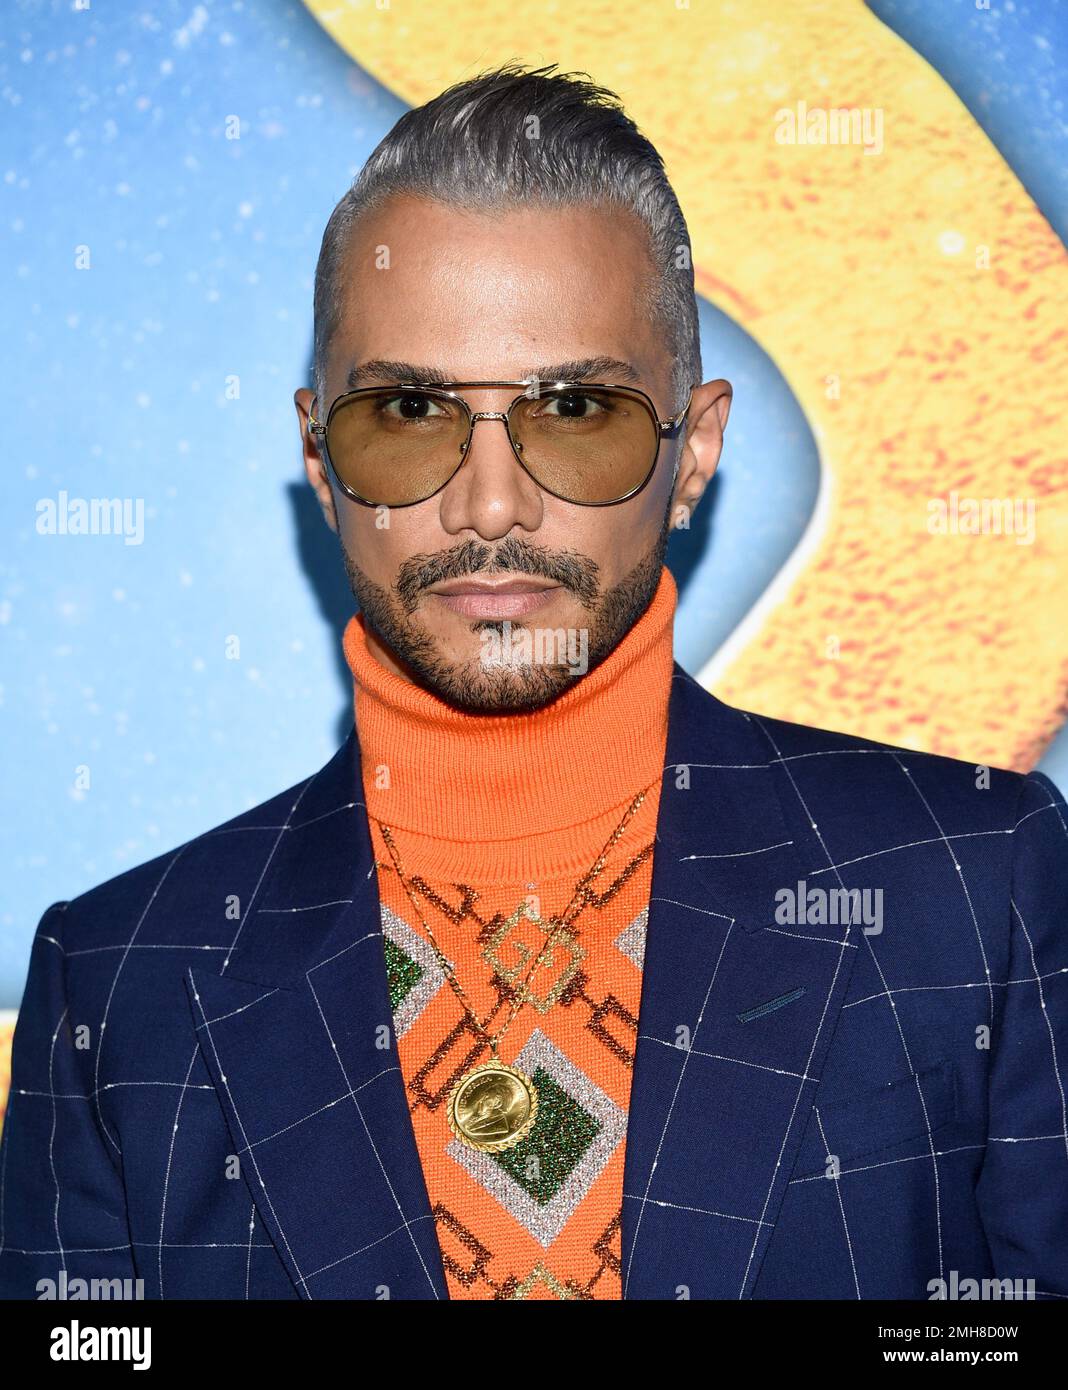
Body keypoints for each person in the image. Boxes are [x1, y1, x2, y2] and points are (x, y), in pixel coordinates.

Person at [2, 63, 1065, 1302]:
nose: (490, 503)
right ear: (318, 453)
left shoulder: (971, 890)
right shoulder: (124, 981)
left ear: (697, 446)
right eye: (407, 408)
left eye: (576, 409)